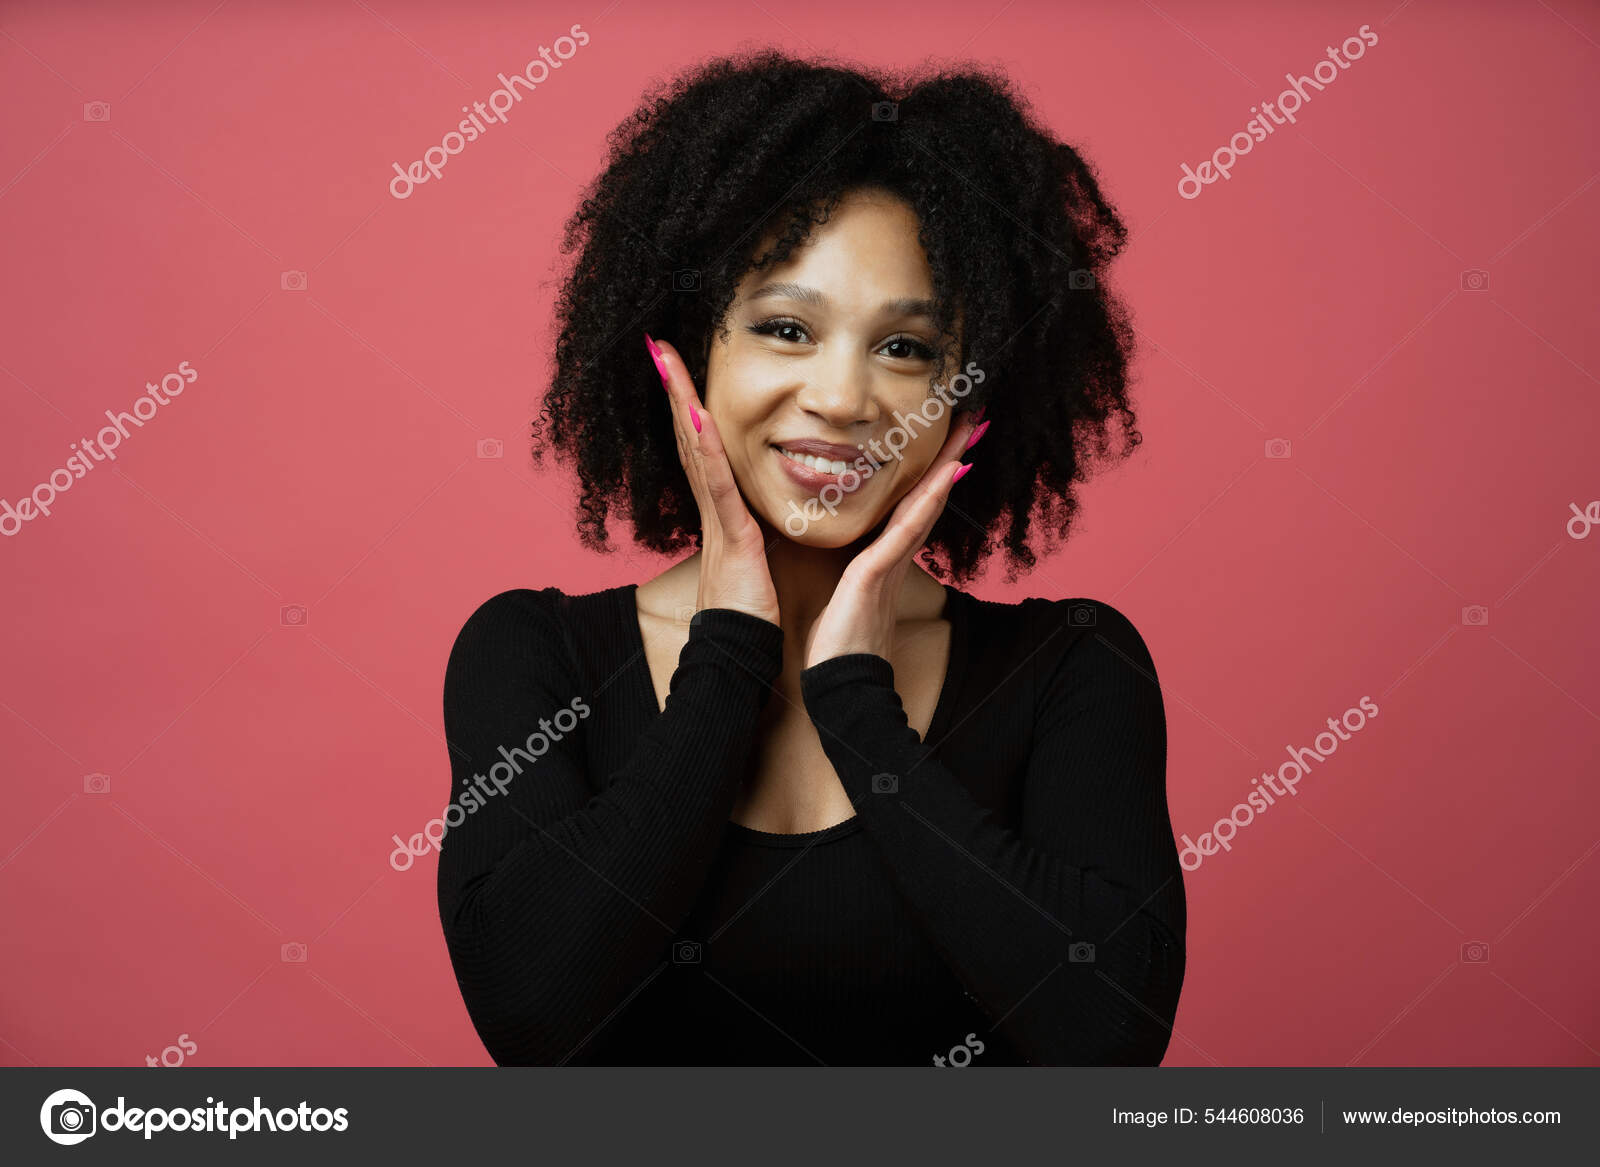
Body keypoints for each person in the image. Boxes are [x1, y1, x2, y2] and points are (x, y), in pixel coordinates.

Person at [438, 51, 1185, 1065]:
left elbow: (1108, 1043)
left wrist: (852, 699)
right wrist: (731, 647)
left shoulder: (1071, 670)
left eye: (905, 349)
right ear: (689, 350)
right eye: (786, 328)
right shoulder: (537, 656)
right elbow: (532, 1014)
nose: (841, 398)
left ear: (967, 398)